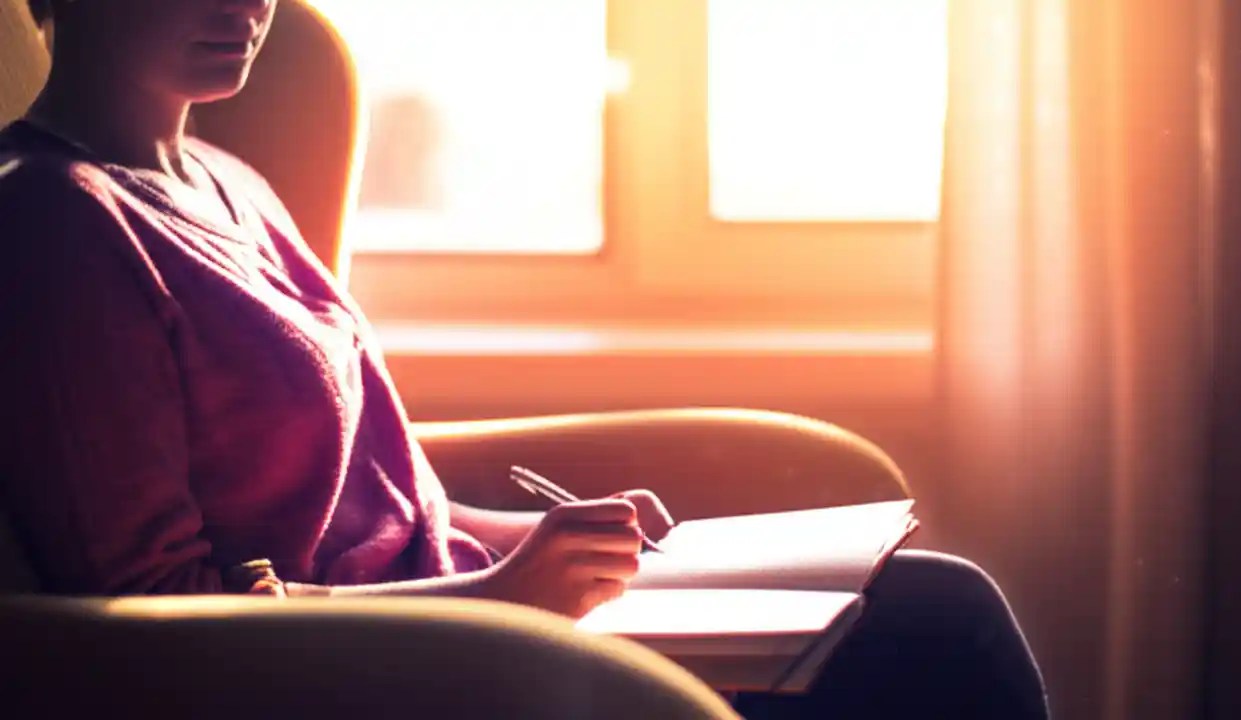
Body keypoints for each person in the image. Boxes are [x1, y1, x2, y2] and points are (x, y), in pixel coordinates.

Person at [0, 1, 1049, 717]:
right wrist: (505, 597)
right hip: (396, 677)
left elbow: (377, 493)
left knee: (933, 601)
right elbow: (161, 609)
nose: (245, 2)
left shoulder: (230, 179)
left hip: (477, 617)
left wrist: (555, 540)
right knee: (936, 640)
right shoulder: (51, 222)